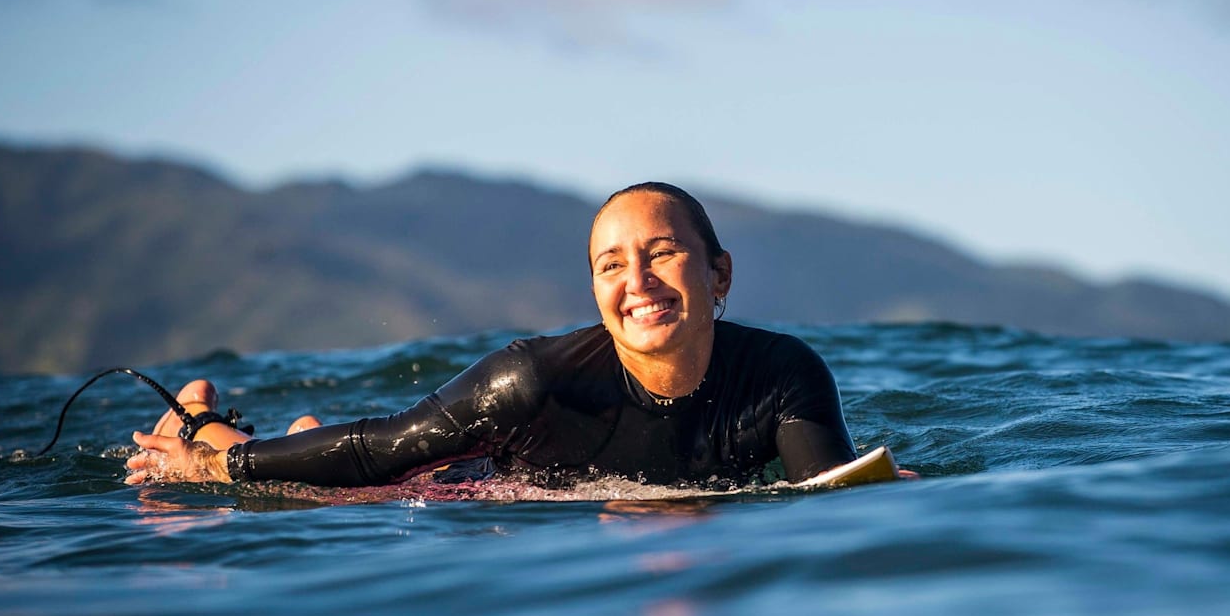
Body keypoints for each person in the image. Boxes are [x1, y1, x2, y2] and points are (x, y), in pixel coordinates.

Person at [125, 182, 868, 490]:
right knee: (364, 490)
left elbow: (826, 497)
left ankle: (266, 433)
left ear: (720, 275)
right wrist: (210, 470)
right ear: (596, 293)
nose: (636, 281)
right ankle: (201, 428)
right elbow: (379, 447)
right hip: (471, 492)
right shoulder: (534, 379)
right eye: (612, 264)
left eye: (662, 253)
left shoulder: (782, 375)